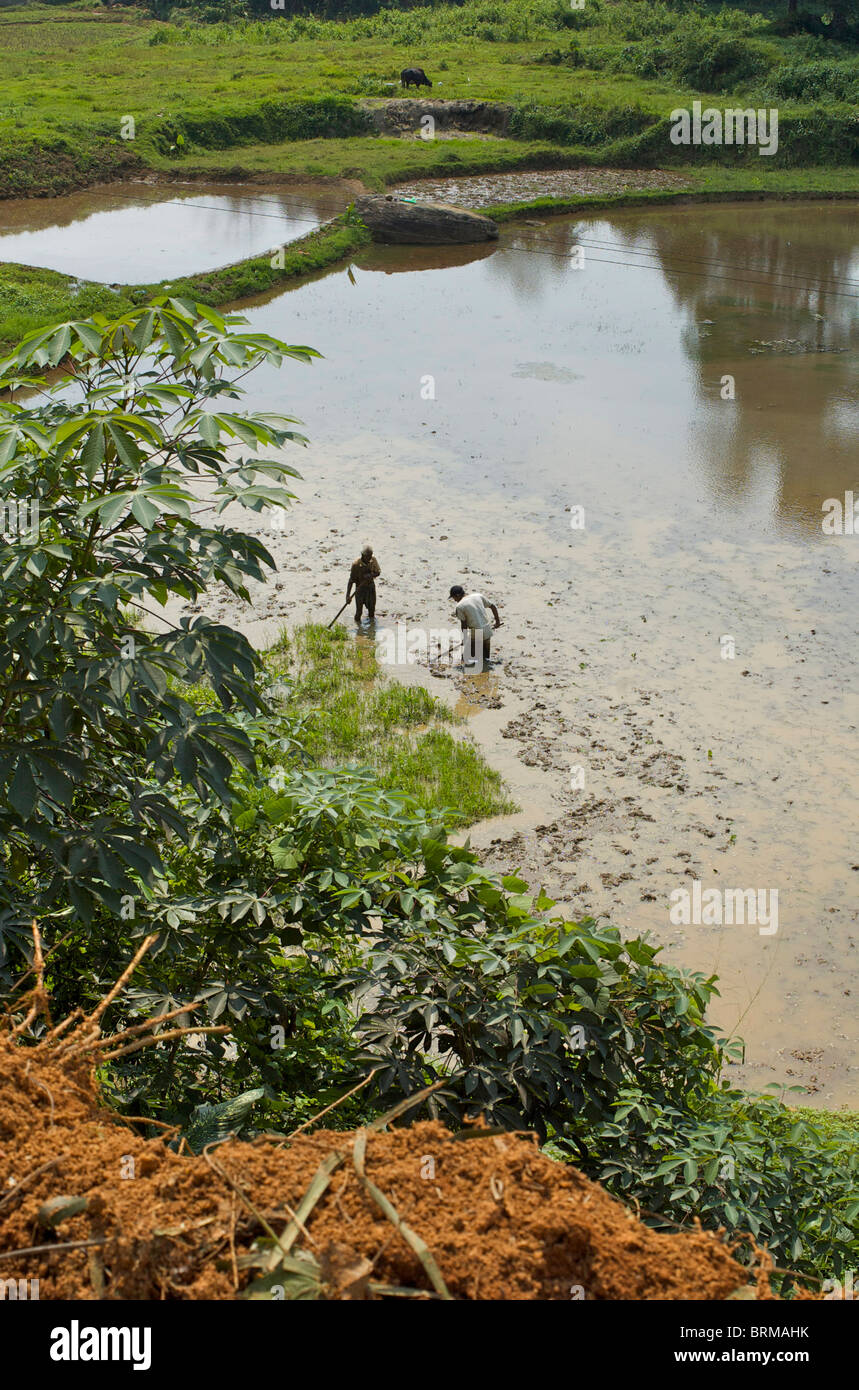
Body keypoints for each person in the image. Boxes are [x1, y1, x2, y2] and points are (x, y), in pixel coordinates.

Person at [449, 584, 501, 668]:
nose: (454, 600)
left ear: (458, 595)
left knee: (466, 658)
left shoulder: (460, 606)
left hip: (476, 634)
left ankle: (473, 676)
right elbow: (493, 606)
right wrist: (497, 622)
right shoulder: (478, 596)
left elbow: (464, 625)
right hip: (487, 632)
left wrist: (465, 638)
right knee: (485, 658)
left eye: (454, 597)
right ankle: (485, 675)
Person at [347, 545, 381, 624]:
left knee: (372, 611)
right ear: (362, 555)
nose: (369, 558)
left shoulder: (373, 560)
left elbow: (378, 572)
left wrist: (370, 575)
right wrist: (348, 595)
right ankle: (358, 630)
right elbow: (351, 581)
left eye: (370, 556)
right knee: (359, 612)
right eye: (367, 556)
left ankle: (371, 631)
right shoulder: (356, 564)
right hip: (360, 589)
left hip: (370, 587)